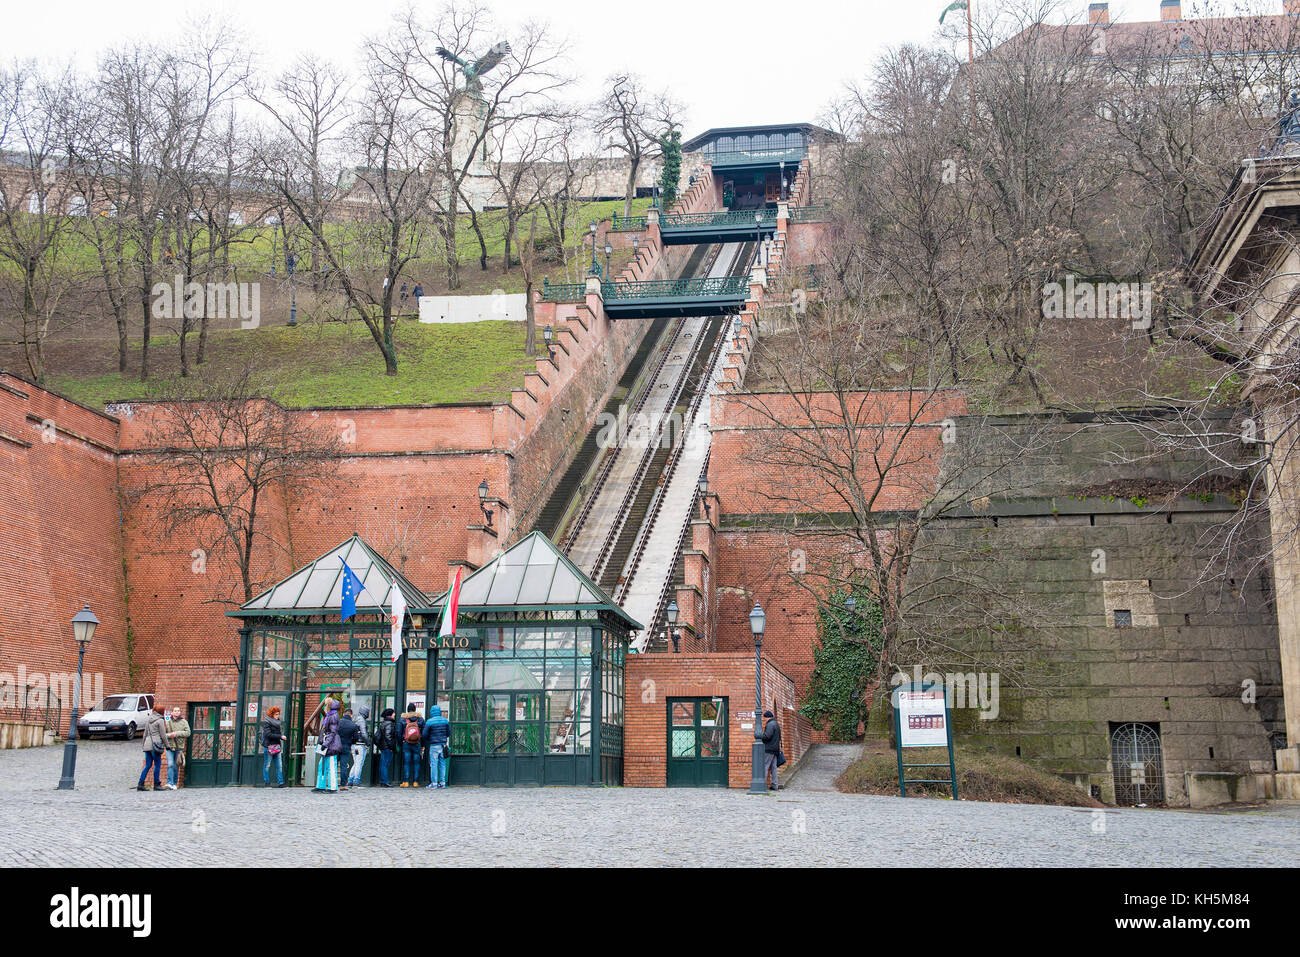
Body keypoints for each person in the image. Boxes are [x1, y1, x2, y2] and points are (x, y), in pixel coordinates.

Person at [136, 704, 168, 791]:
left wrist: (143, 745)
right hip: (155, 744)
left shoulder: (149, 719)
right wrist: (167, 745)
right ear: (161, 711)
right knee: (157, 765)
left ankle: (140, 784)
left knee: (148, 765)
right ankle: (156, 784)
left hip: (147, 744)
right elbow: (163, 735)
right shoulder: (160, 720)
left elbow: (145, 734)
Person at [314, 698, 342, 793]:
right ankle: (320, 785)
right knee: (322, 765)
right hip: (329, 743)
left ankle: (332, 787)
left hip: (331, 744)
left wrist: (325, 744)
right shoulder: (330, 715)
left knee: (330, 766)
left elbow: (332, 733)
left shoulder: (332, 716)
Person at [423, 704, 450, 789]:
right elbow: (448, 733)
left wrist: (429, 738)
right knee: (442, 764)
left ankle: (434, 783)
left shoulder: (429, 721)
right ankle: (442, 783)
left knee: (434, 764)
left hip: (434, 745)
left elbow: (424, 734)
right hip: (443, 745)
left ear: (432, 712)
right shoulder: (445, 721)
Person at [163, 706, 190, 790]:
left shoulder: (184, 722)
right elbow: (163, 734)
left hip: (179, 747)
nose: (177, 712)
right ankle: (169, 782)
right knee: (170, 764)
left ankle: (174, 783)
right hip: (169, 746)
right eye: (175, 711)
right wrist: (169, 735)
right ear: (172, 712)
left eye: (178, 711)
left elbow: (188, 733)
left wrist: (177, 733)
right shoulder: (167, 722)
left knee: (175, 766)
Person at [345, 705, 372, 788]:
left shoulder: (356, 719)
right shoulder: (362, 720)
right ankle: (356, 780)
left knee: (356, 763)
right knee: (359, 763)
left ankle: (350, 780)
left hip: (354, 744)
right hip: (360, 745)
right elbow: (364, 733)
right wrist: (368, 743)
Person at [399, 704, 424, 788]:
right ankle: (415, 782)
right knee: (417, 762)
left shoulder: (403, 719)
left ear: (408, 710)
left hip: (406, 743)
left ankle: (406, 782)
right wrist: (422, 744)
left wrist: (400, 743)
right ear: (415, 709)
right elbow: (423, 733)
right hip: (417, 743)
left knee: (406, 762)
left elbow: (399, 733)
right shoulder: (420, 719)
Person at [262, 705, 287, 788]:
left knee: (279, 766)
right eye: (276, 714)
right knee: (267, 765)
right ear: (272, 714)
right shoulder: (266, 722)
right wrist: (280, 736)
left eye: (278, 714)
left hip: (276, 746)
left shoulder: (278, 722)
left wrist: (281, 737)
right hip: (269, 746)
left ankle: (281, 783)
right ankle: (267, 782)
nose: (278, 716)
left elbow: (277, 734)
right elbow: (268, 734)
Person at [337, 707, 358, 787]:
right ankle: (343, 785)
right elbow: (356, 738)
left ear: (343, 714)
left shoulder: (338, 722)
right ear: (351, 715)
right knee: (344, 766)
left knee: (334, 765)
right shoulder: (353, 725)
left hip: (336, 746)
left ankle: (333, 783)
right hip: (346, 746)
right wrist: (350, 742)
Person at [761, 710, 782, 791]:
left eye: (764, 718)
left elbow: (767, 736)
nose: (763, 720)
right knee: (774, 767)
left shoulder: (770, 724)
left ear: (767, 717)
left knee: (765, 766)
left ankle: (762, 785)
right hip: (775, 749)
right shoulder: (776, 724)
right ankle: (774, 785)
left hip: (769, 748)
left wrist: (760, 736)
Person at [376, 708, 398, 787]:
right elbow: (388, 736)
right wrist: (392, 747)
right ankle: (385, 781)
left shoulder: (384, 723)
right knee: (385, 764)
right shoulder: (389, 723)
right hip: (387, 747)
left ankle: (383, 781)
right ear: (390, 714)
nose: (394, 714)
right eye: (393, 713)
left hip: (384, 747)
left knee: (383, 764)